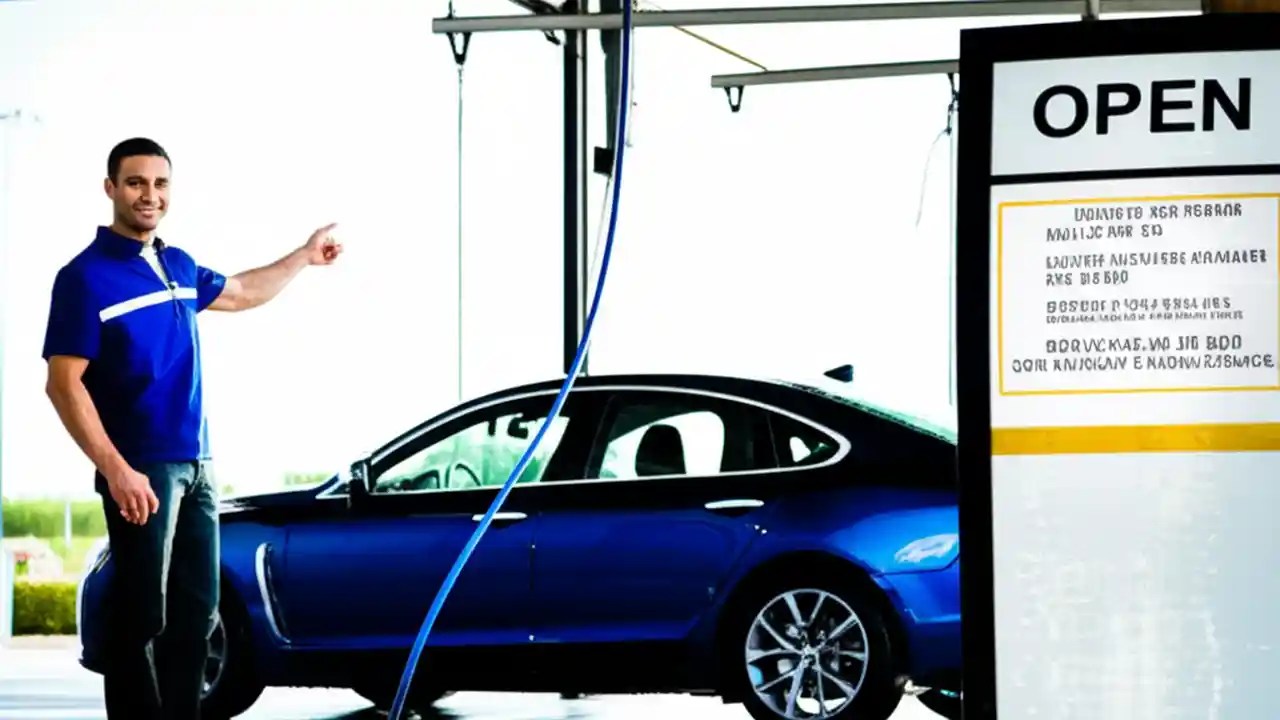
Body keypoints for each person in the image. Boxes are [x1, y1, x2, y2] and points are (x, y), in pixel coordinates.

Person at [41, 137, 343, 719]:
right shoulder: (83, 278)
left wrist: (304, 256)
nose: (149, 195)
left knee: (196, 615)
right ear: (111, 189)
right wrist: (116, 468)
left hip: (198, 465)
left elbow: (244, 290)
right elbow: (63, 384)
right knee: (140, 616)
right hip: (141, 468)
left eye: (160, 184)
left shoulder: (176, 265)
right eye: (135, 183)